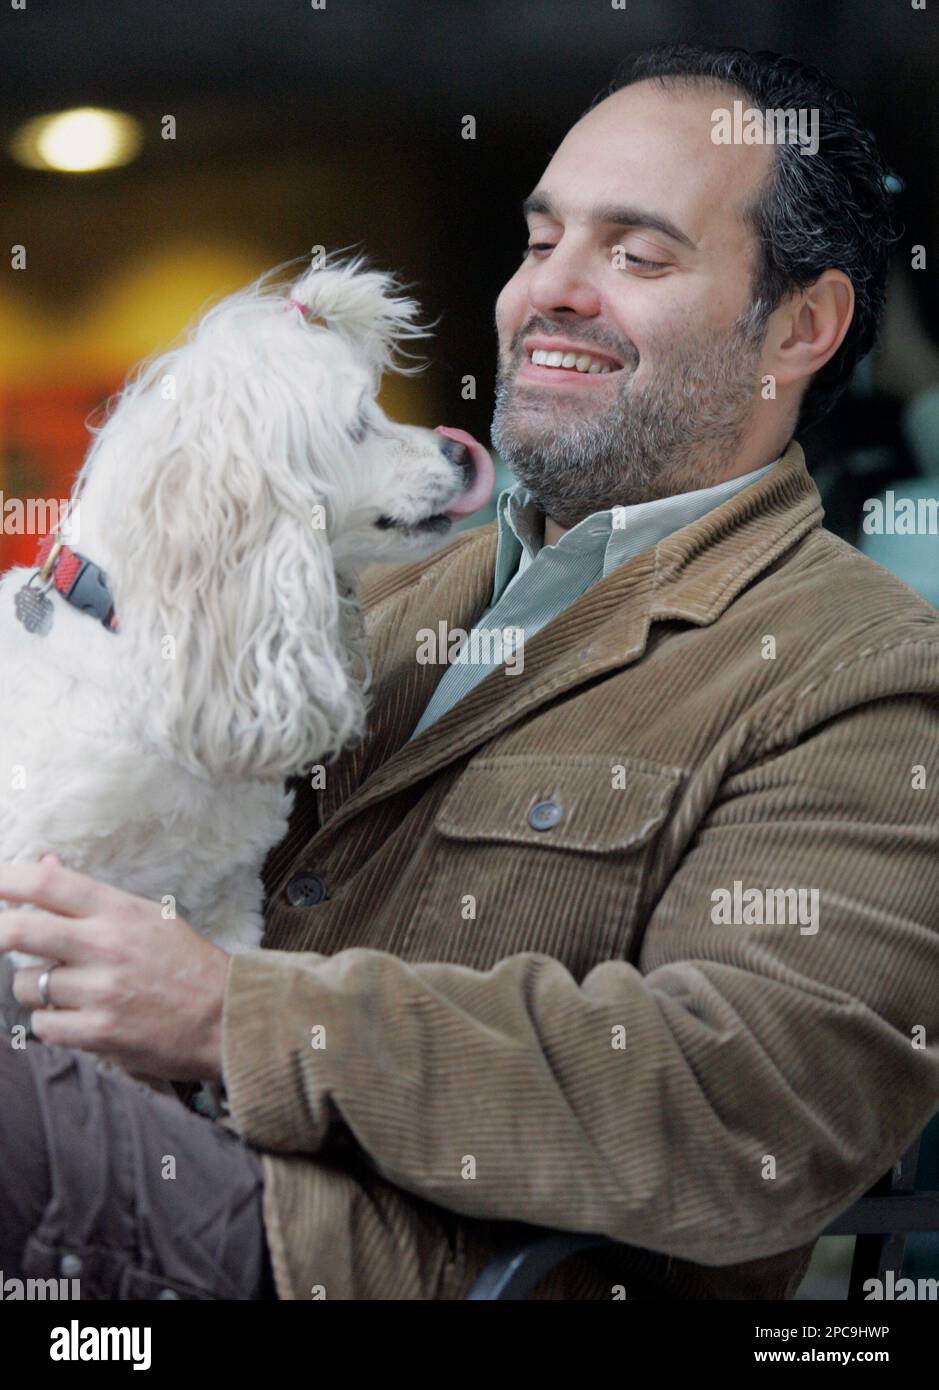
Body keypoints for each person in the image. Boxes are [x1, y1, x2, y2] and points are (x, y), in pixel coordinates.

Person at [2, 42, 938, 1302]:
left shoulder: (861, 673)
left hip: (364, 1258)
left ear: (802, 325)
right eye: (541, 239)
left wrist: (239, 1014)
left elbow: (746, 1111)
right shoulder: (369, 585)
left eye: (635, 253)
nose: (550, 290)